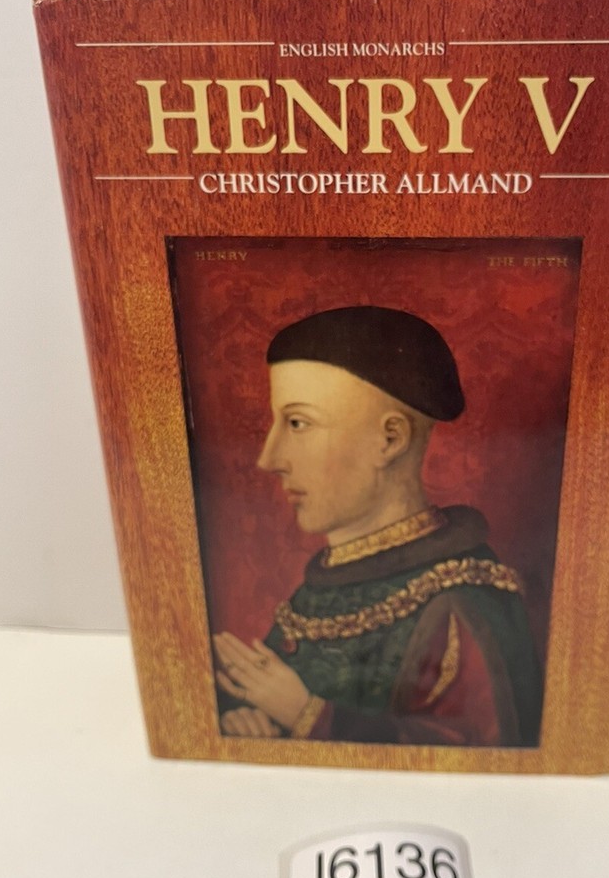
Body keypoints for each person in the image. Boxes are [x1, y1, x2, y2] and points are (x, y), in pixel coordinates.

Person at [213, 306, 543, 747]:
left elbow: (485, 755)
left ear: (390, 439)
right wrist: (253, 722)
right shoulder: (317, 594)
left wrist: (307, 715)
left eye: (298, 423)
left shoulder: (463, 603)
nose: (269, 458)